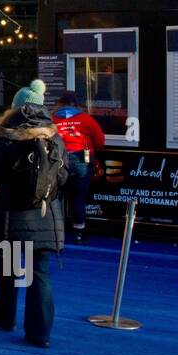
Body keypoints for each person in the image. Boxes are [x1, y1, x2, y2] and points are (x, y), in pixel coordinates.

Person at [0, 79, 69, 348]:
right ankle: (40, 332)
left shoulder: (7, 136)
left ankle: (4, 315)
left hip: (10, 214)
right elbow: (64, 175)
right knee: (39, 273)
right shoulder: (54, 137)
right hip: (45, 215)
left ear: (17, 107)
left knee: (7, 269)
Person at [52, 90, 105, 242]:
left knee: (56, 197)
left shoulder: (53, 119)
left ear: (60, 103)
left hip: (59, 160)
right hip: (82, 158)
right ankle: (79, 232)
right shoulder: (85, 118)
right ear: (76, 104)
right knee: (79, 197)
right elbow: (100, 141)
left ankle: (56, 231)